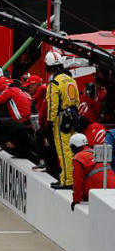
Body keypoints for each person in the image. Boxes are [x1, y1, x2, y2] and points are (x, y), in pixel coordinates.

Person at [45, 51, 81, 189]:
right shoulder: (71, 79)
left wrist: (50, 122)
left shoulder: (54, 83)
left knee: (63, 150)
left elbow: (52, 107)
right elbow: (77, 100)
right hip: (73, 117)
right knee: (72, 150)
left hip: (60, 120)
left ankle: (67, 180)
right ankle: (73, 178)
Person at [70, 133, 115, 209]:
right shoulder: (97, 153)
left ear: (73, 147)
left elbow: (77, 182)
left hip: (97, 193)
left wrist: (76, 200)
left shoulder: (78, 158)